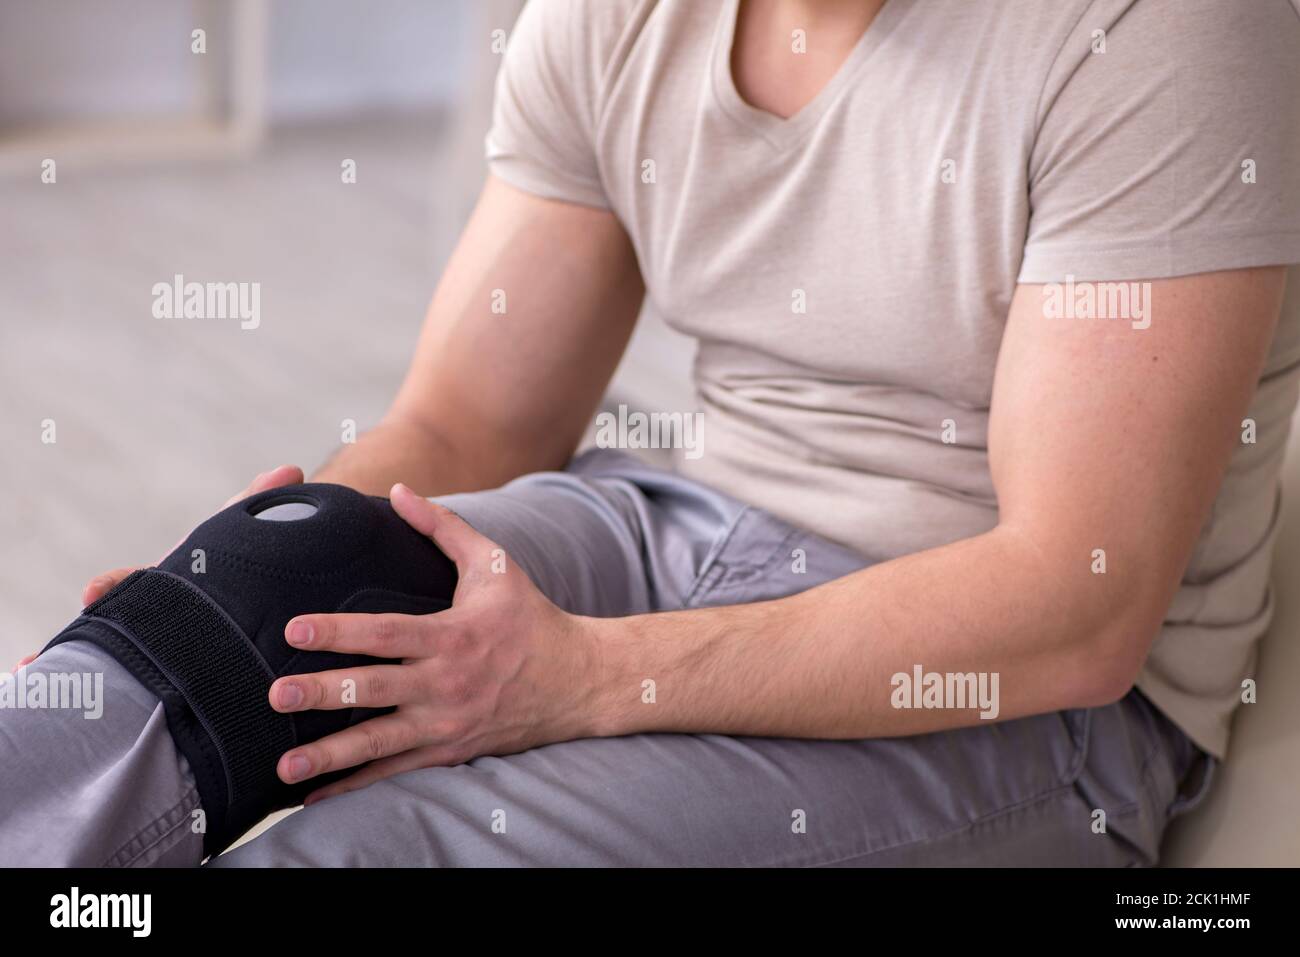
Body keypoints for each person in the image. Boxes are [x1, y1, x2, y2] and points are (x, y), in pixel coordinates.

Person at [4, 0, 1299, 866]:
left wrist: (588, 682)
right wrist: (229, 570)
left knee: (382, 850)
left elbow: (1074, 605)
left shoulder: (1158, 32)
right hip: (693, 529)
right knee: (188, 650)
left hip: (1032, 703)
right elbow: (471, 415)